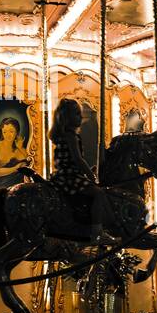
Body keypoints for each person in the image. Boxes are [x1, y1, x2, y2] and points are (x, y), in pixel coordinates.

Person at [48, 98, 113, 243]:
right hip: (68, 177)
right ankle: (97, 232)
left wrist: (88, 170)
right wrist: (91, 176)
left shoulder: (63, 135)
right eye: (77, 114)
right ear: (68, 118)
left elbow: (71, 161)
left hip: (65, 175)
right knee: (99, 193)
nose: (80, 117)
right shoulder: (70, 135)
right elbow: (78, 159)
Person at [0, 117, 31, 189]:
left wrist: (21, 148)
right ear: (1, 132)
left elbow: (31, 162)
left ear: (17, 132)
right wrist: (17, 168)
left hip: (21, 186)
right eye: (4, 132)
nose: (8, 135)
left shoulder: (20, 147)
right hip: (2, 185)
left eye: (11, 131)